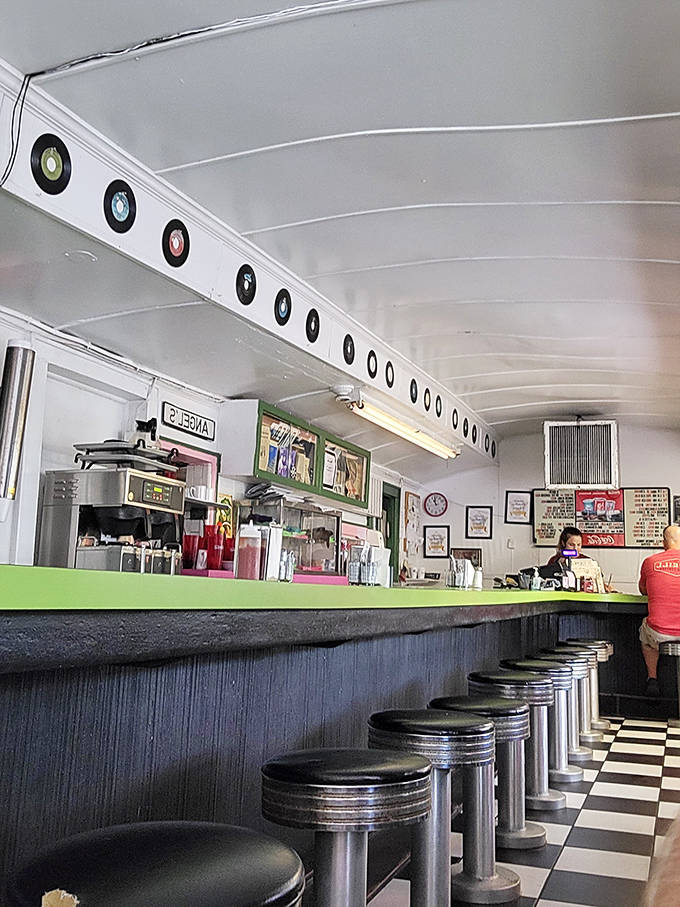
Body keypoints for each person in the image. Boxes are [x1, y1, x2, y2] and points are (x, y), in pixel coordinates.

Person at [638, 524, 680, 696]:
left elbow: (643, 590)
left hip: (659, 632)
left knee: (646, 634)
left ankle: (652, 679)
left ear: (664, 543)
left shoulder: (650, 562)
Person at [547, 526, 616, 592]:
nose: (575, 548)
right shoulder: (555, 560)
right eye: (571, 545)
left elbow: (599, 582)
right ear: (563, 543)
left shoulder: (588, 560)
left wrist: (606, 587)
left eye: (578, 545)